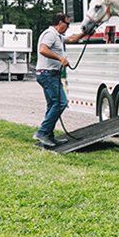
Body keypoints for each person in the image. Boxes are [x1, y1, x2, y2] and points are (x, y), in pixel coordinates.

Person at [34, 12, 88, 148]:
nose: (68, 27)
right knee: (61, 103)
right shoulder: (50, 34)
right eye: (67, 24)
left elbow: (72, 39)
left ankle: (48, 136)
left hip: (51, 75)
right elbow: (43, 49)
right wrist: (60, 58)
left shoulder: (58, 36)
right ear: (59, 22)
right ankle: (42, 132)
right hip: (47, 74)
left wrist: (85, 33)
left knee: (53, 105)